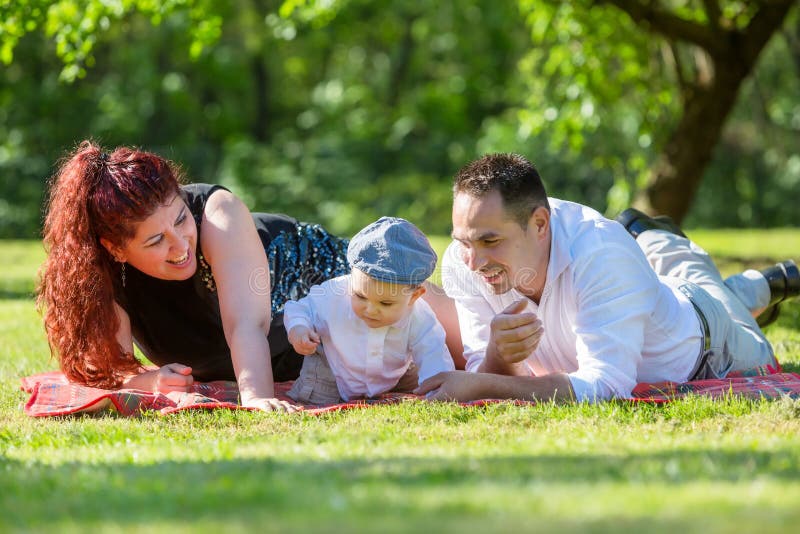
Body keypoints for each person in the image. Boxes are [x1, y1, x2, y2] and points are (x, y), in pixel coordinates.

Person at [416, 153, 798, 403]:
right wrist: (497, 356)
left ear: (539, 224)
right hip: (650, 298)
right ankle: (751, 284)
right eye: (463, 241)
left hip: (712, 344)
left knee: (695, 278)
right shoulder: (461, 261)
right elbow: (489, 368)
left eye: (490, 240)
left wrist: (481, 384)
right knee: (666, 281)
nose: (473, 260)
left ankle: (656, 238)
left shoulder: (601, 253)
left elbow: (606, 386)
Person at [37, 140, 351, 412]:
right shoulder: (103, 272)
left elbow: (247, 324)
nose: (180, 245)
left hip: (328, 283)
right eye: (156, 240)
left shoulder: (219, 214)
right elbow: (112, 370)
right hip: (293, 363)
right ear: (116, 250)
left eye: (181, 219)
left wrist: (256, 397)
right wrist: (150, 380)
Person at [284, 217, 455, 404]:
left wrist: (438, 391)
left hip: (392, 374)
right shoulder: (332, 295)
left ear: (414, 296)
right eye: (360, 296)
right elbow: (300, 308)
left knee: (422, 381)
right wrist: (298, 328)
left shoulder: (420, 316)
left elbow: (433, 353)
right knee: (315, 397)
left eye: (386, 303)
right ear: (351, 277)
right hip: (334, 371)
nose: (371, 310)